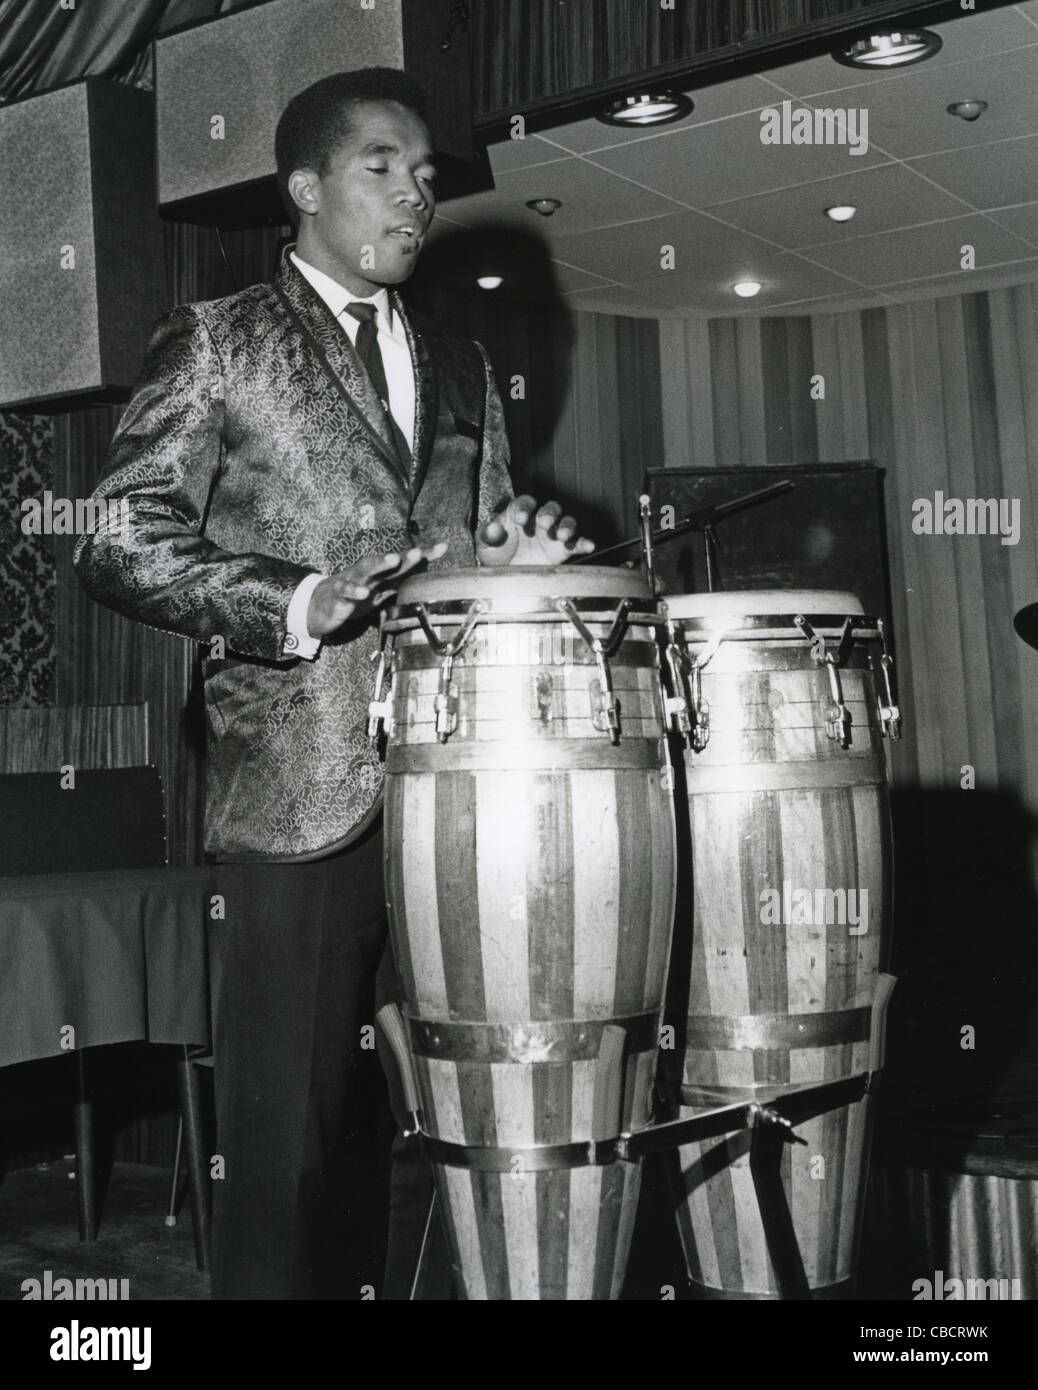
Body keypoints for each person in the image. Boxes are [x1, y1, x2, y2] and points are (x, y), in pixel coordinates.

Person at [74, 66, 592, 1299]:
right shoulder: (220, 341)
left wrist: (512, 561)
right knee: (288, 1159)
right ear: (305, 188)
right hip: (299, 805)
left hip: (460, 800)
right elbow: (114, 535)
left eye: (426, 175)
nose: (417, 193)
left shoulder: (464, 364)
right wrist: (292, 601)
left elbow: (470, 545)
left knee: (450, 1127)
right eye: (384, 168)